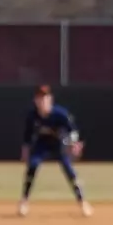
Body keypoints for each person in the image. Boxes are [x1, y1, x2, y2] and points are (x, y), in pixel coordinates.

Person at [18, 84, 91, 217]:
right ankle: (24, 202)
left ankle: (83, 202)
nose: (42, 101)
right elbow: (27, 135)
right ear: (35, 100)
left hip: (59, 144)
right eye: (40, 98)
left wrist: (74, 143)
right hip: (42, 144)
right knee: (32, 166)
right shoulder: (32, 115)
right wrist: (25, 150)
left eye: (45, 98)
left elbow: (73, 129)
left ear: (50, 99)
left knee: (69, 170)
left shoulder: (60, 114)